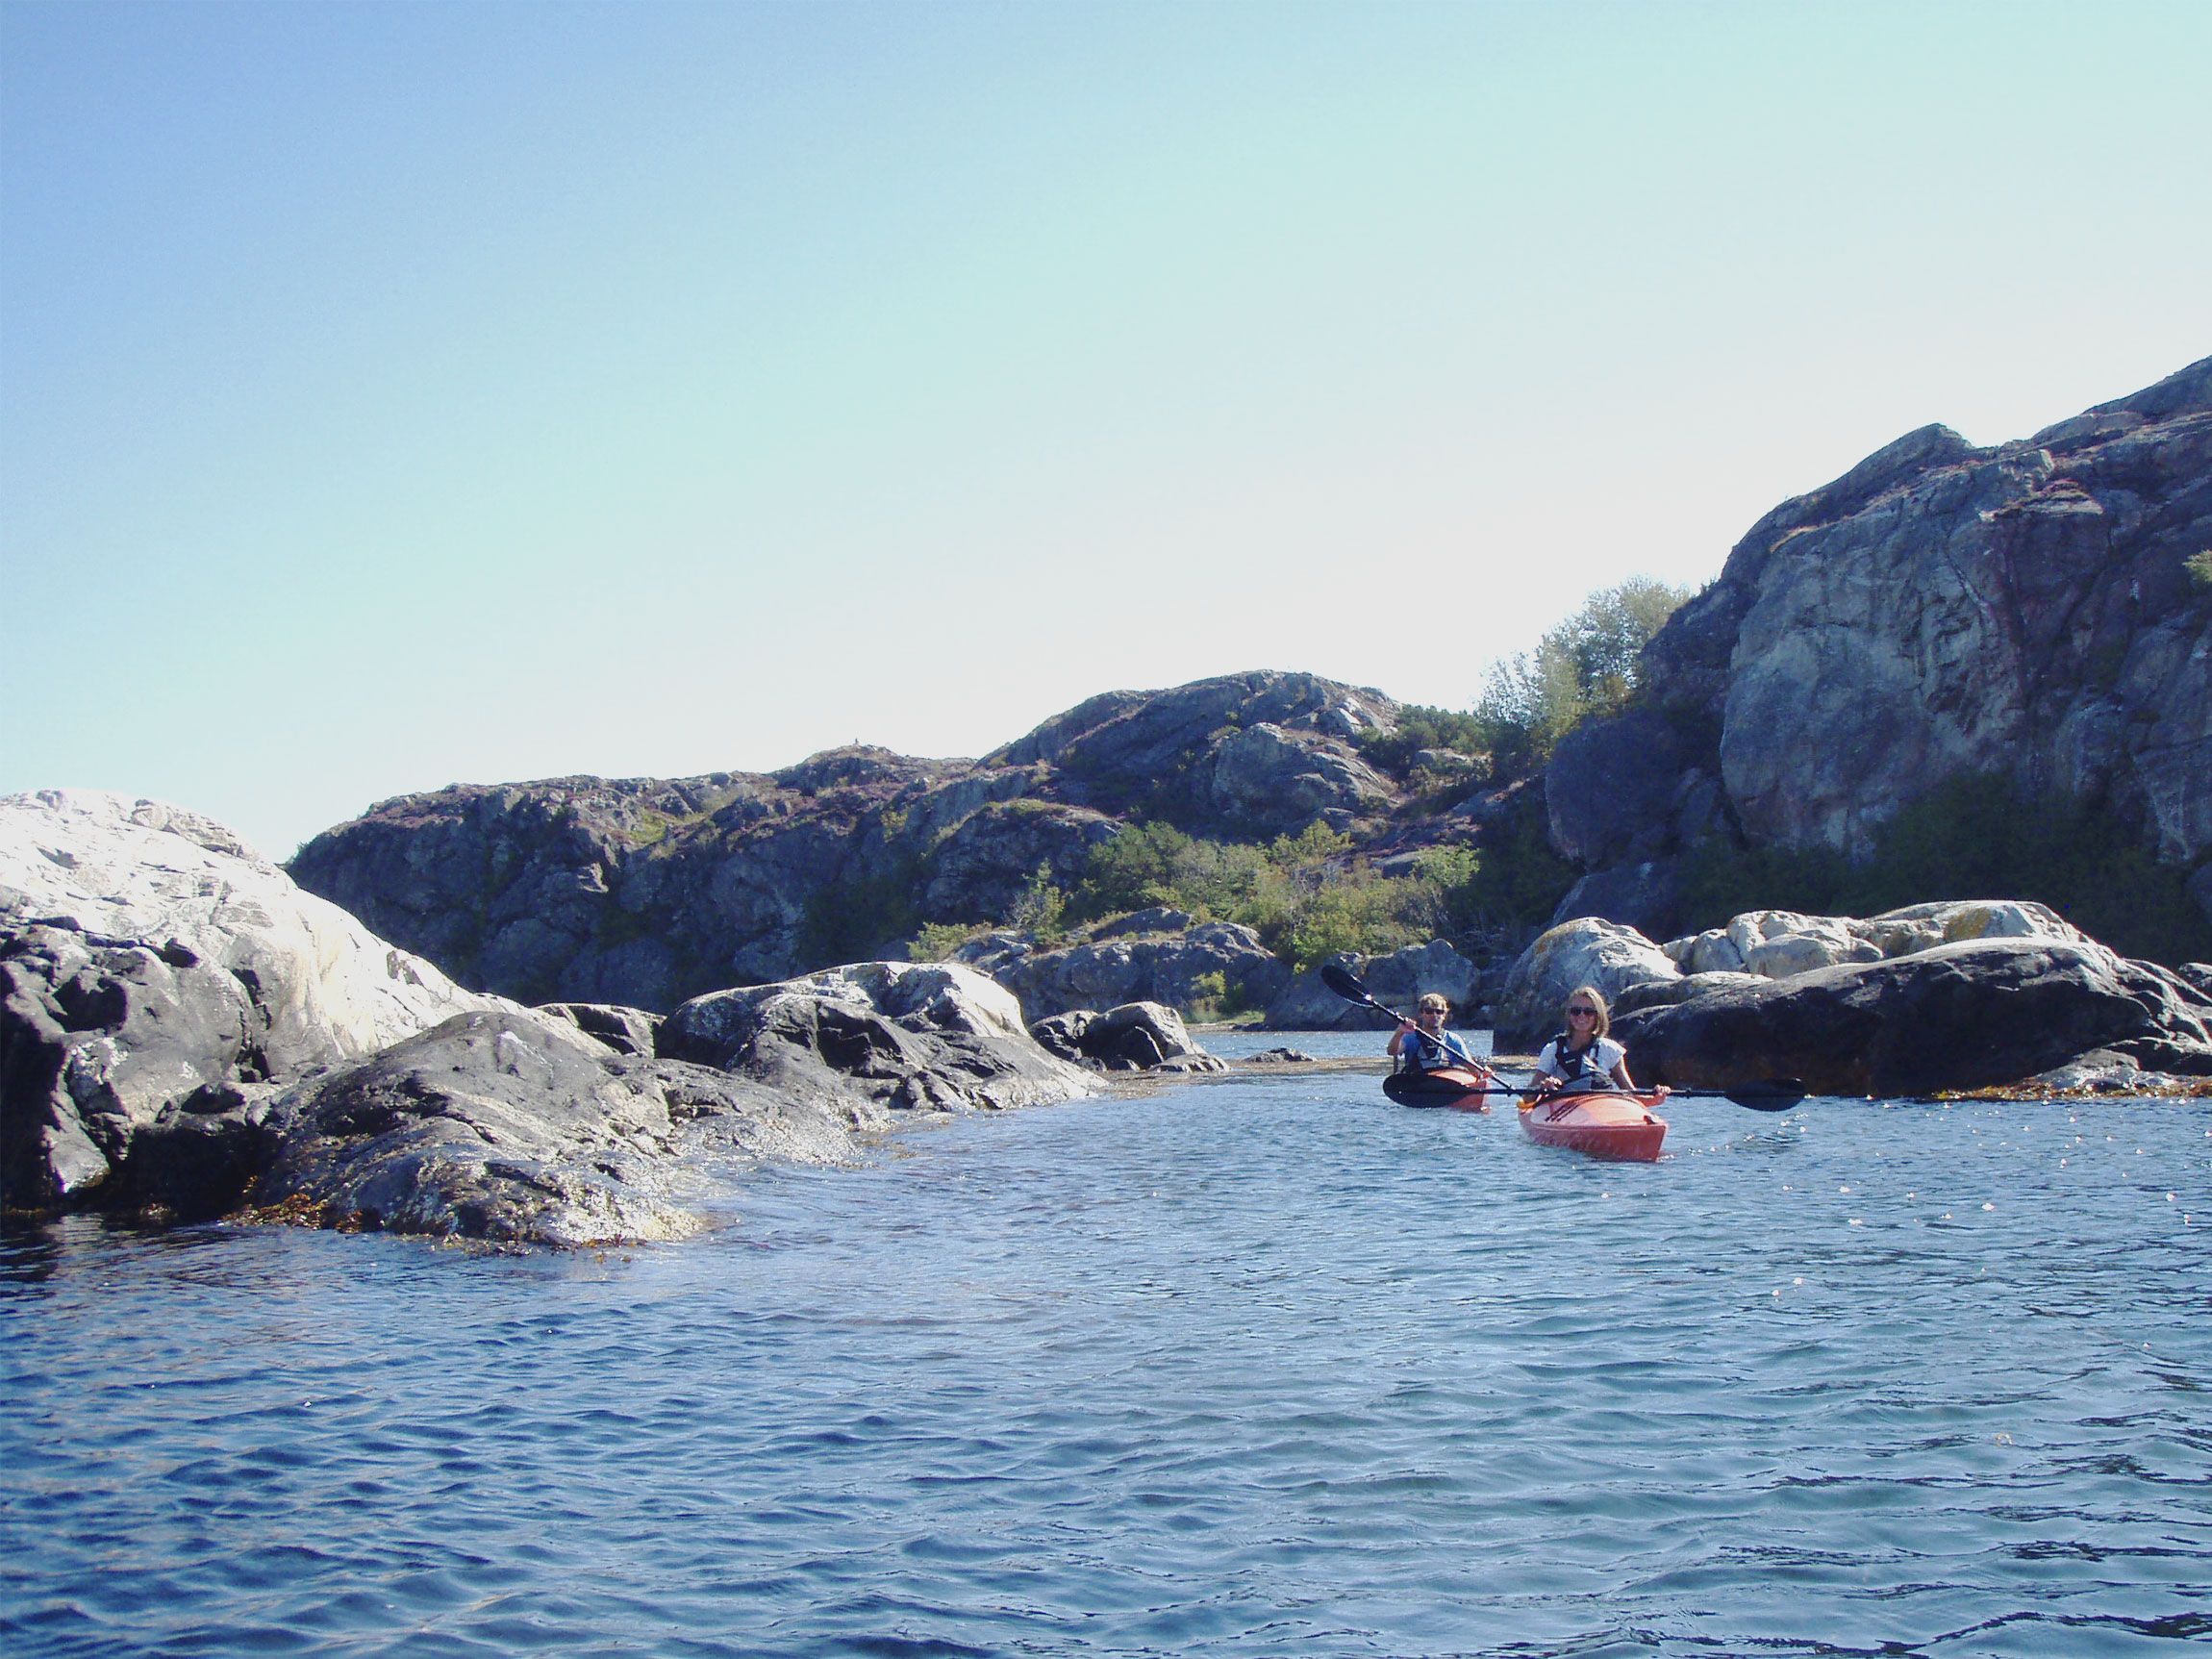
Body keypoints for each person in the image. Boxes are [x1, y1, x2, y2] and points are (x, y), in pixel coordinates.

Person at [1531, 986, 1656, 1096]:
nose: (1581, 1016)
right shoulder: (1553, 1049)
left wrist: (1657, 1095)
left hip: (1600, 1111)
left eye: (1588, 1012)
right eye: (1576, 1011)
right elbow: (1528, 1097)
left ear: (1598, 1016)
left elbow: (1632, 1094)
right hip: (1563, 1112)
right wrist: (1544, 1087)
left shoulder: (1610, 1049)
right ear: (1569, 1015)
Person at [1388, 993, 1482, 1075]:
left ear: (1444, 1015)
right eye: (1429, 1011)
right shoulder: (1410, 1037)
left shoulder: (1453, 1040)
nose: (1434, 1015)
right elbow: (1392, 1051)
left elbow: (1471, 1066)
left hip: (1444, 1087)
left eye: (1439, 1012)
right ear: (1421, 1014)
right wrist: (1399, 1033)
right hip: (1416, 1084)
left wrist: (1483, 1072)